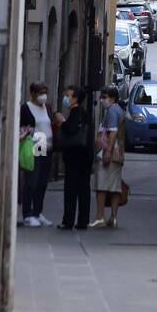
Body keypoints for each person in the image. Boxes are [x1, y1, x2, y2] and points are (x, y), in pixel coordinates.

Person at [54, 85, 92, 231]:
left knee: (71, 190)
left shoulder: (75, 112)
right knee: (83, 190)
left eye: (68, 95)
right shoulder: (84, 113)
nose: (66, 98)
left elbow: (70, 129)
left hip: (75, 156)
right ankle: (83, 221)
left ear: (75, 98)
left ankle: (68, 220)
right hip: (85, 156)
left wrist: (61, 122)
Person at [19, 82, 55, 226]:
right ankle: (27, 213)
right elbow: (23, 128)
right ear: (33, 93)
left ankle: (37, 211)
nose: (43, 96)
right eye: (40, 93)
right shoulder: (26, 108)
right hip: (36, 143)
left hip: (48, 144)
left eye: (45, 92)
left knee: (42, 181)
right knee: (32, 180)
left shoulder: (47, 108)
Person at [92, 85, 126, 228]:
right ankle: (113, 216)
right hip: (118, 153)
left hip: (110, 152)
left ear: (112, 99)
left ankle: (100, 216)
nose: (101, 100)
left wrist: (106, 151)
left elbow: (112, 132)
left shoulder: (111, 111)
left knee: (102, 186)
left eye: (104, 97)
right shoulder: (118, 110)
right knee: (114, 186)